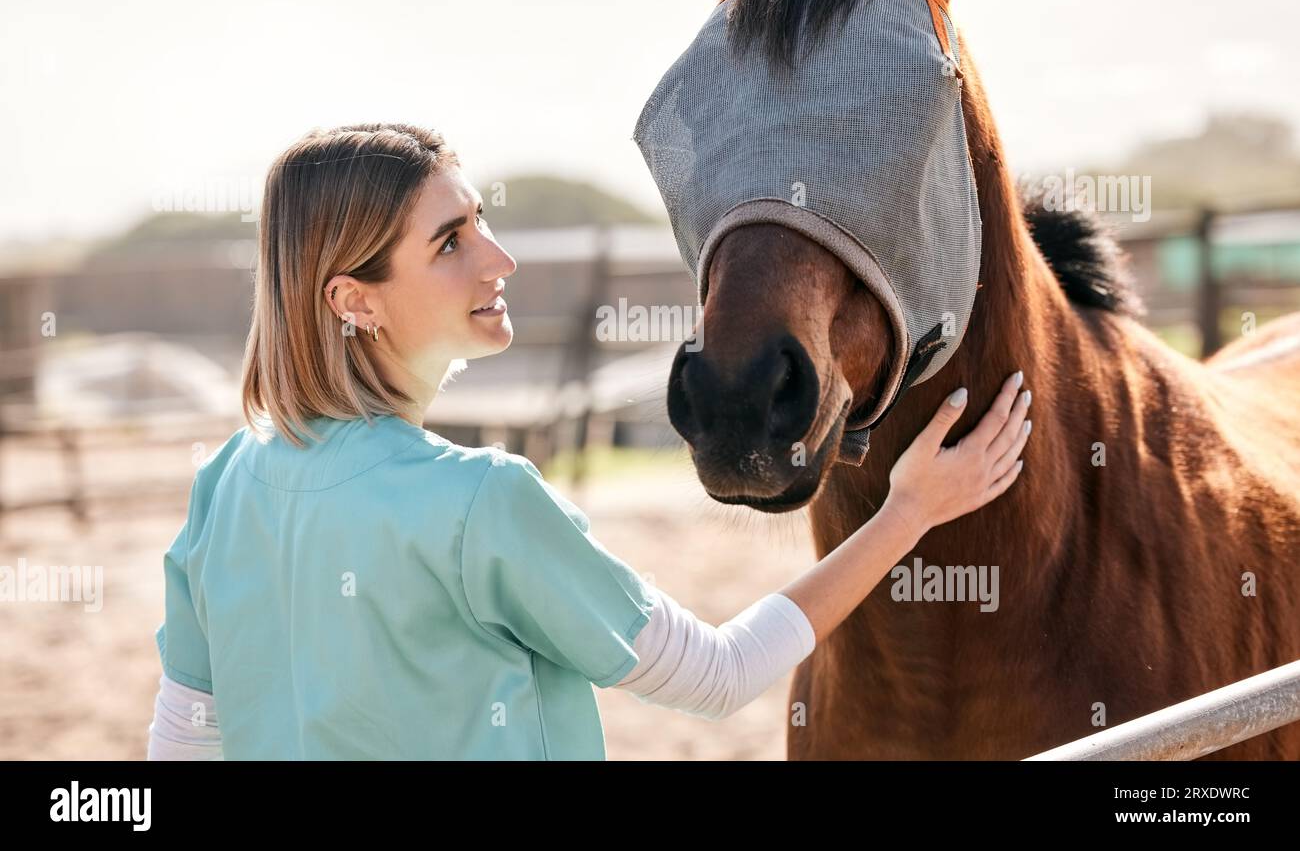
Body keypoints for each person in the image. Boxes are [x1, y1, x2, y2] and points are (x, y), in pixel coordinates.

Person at [147, 123, 1032, 760]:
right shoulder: (480, 502)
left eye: (481, 218)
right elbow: (716, 675)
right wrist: (910, 510)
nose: (499, 259)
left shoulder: (226, 482)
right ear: (353, 299)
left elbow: (183, 741)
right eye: (450, 242)